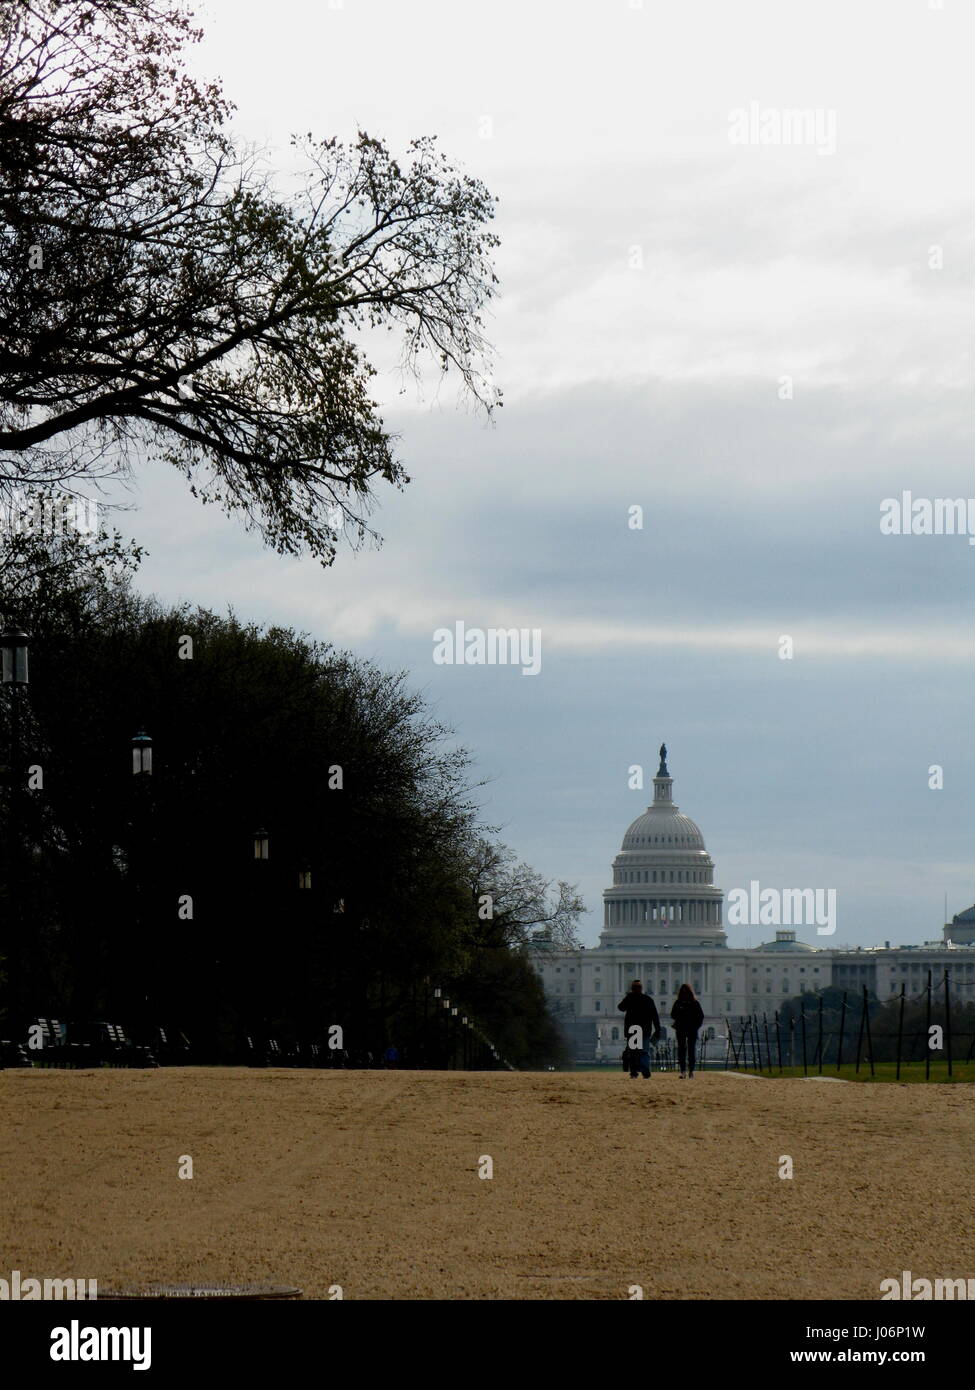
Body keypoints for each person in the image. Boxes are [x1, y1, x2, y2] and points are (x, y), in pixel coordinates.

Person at [617, 980, 661, 1079]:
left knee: (636, 1052)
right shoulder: (647, 999)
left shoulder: (631, 998)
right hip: (642, 1029)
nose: (636, 989)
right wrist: (658, 1028)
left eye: (636, 987)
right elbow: (655, 1015)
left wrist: (658, 1029)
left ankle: (635, 1072)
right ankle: (643, 1071)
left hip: (634, 1029)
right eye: (635, 987)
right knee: (641, 1051)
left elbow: (620, 1007)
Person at [671, 983, 705, 1078]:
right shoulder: (678, 1003)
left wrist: (696, 1026)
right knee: (682, 1050)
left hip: (691, 1029)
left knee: (690, 1050)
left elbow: (700, 1016)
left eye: (686, 993)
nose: (684, 994)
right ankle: (683, 1071)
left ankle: (690, 1071)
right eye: (683, 993)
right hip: (681, 1029)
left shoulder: (694, 1003)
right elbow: (673, 1014)